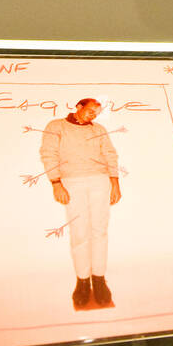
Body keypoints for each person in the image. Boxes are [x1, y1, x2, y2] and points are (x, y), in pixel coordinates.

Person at [40, 98, 121, 310]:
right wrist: (56, 183)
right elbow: (48, 154)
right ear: (78, 107)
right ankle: (83, 282)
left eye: (97, 112)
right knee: (79, 233)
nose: (93, 115)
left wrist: (115, 182)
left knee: (99, 231)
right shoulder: (56, 126)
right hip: (72, 182)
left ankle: (99, 280)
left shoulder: (99, 129)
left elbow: (110, 154)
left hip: (100, 182)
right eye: (90, 110)